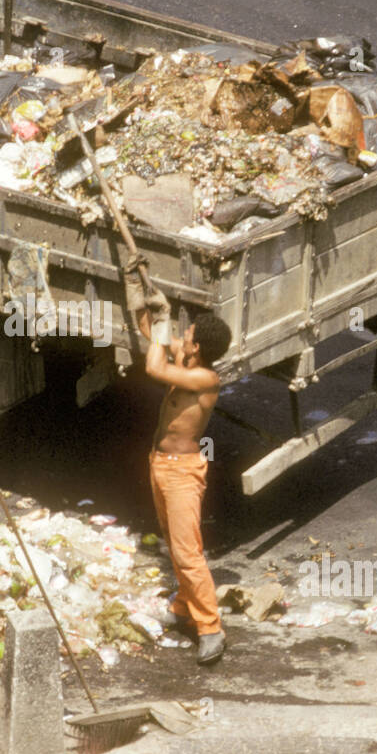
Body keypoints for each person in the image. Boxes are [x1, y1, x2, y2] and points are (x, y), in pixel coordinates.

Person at [129, 278, 233, 665]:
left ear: (197, 347)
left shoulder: (205, 379)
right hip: (160, 464)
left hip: (182, 472)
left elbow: (154, 366)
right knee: (175, 541)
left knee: (188, 552)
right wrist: (143, 301)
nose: (182, 336)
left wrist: (166, 314)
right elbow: (150, 336)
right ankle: (183, 607)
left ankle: (211, 629)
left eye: (186, 334)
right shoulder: (189, 360)